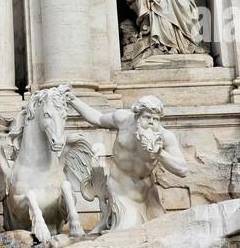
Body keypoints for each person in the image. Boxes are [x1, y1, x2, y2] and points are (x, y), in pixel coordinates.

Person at [67, 92, 188, 229]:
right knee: (129, 230)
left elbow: (183, 170)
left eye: (155, 119)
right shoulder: (123, 119)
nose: (151, 122)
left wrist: (160, 153)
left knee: (162, 230)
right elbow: (98, 119)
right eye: (147, 117)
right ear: (137, 116)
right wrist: (73, 100)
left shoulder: (165, 137)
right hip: (121, 188)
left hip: (147, 193)